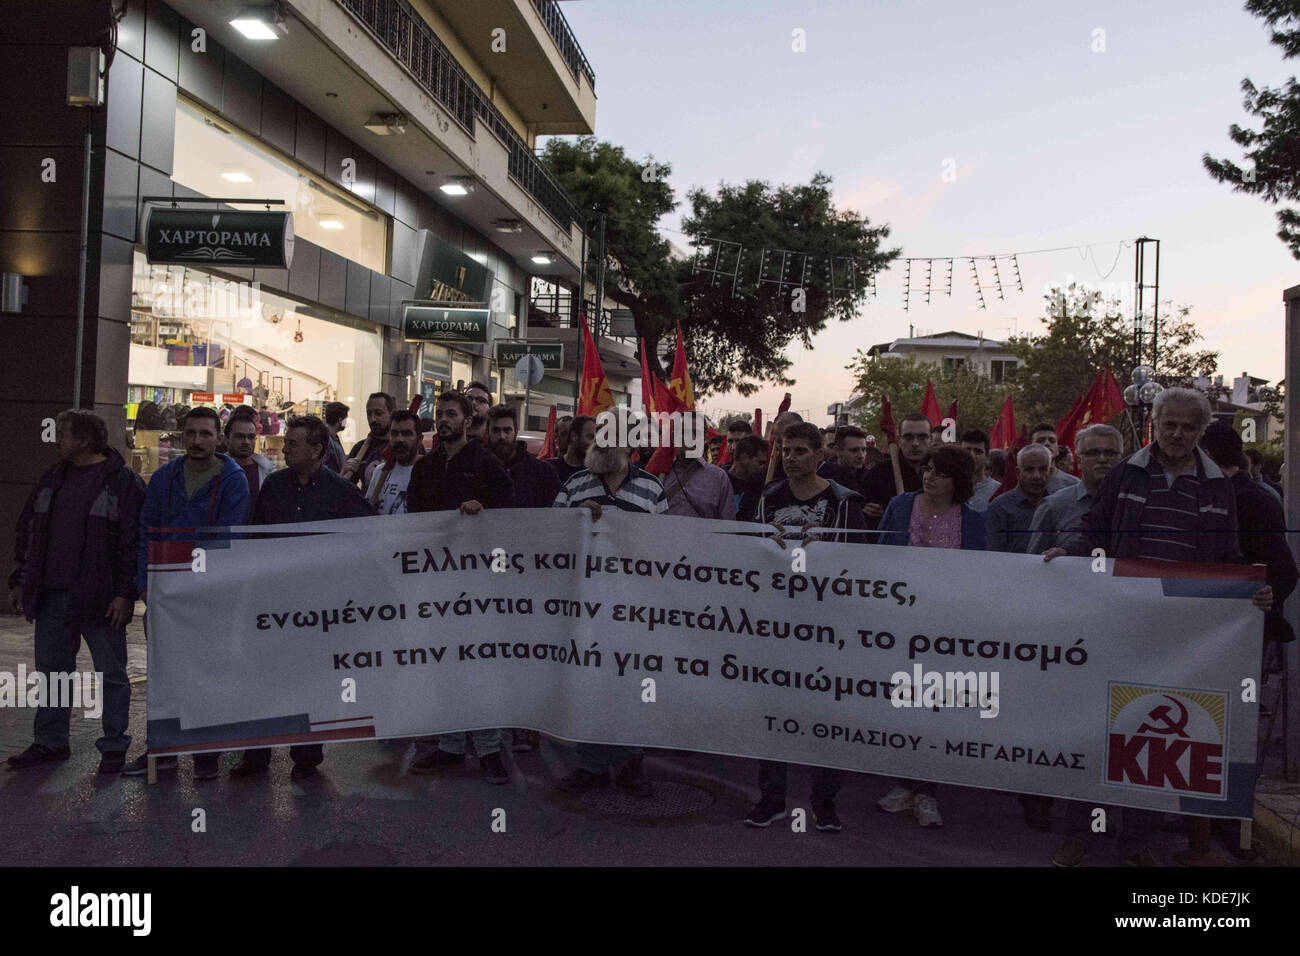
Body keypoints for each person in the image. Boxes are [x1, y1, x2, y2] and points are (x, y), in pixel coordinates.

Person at [1044, 388, 1273, 866]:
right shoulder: (1126, 473)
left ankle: (1138, 843)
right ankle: (1079, 833)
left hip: (1178, 636)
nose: (1177, 434)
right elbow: (1096, 530)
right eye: (1170, 424)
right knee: (1096, 727)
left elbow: (1228, 557)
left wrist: (1249, 595)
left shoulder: (1218, 487)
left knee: (1154, 736)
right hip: (1118, 622)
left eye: (1188, 427)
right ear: (1155, 423)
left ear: (1201, 431)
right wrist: (1071, 553)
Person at [229, 416, 376, 781]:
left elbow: (368, 537)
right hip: (273, 601)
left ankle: (307, 755)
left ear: (316, 450)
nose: (285, 449)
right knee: (262, 677)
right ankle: (256, 754)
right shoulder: (275, 485)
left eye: (293, 444)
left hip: (316, 607)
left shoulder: (340, 492)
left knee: (310, 680)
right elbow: (257, 537)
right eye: (286, 442)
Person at [7, 410, 146, 774]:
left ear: (84, 440)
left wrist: (125, 593)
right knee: (53, 671)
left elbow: (132, 543)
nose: (57, 440)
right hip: (51, 595)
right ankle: (51, 741)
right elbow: (29, 529)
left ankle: (113, 747)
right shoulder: (53, 477)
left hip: (101, 597)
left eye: (63, 434)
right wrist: (22, 579)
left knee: (111, 673)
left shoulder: (122, 482)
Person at [745, 422, 868, 833]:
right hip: (777, 621)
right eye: (785, 450)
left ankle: (824, 801)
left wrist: (828, 551)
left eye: (800, 451)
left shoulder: (843, 501)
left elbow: (861, 562)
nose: (791, 458)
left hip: (827, 623)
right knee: (774, 711)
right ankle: (771, 798)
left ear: (820, 455)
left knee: (825, 715)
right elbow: (748, 555)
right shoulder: (768, 497)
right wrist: (765, 542)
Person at [124, 406, 251, 779]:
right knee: (164, 676)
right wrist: (144, 583)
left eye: (205, 434)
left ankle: (205, 754)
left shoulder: (233, 480)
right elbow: (146, 531)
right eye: (191, 433)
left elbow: (227, 539)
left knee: (207, 674)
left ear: (218, 438)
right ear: (182, 436)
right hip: (165, 595)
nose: (197, 440)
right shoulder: (164, 477)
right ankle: (162, 751)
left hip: (209, 597)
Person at [874, 445, 987, 828]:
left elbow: (981, 576)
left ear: (958, 480)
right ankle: (904, 783)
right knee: (903, 703)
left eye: (940, 472)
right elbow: (879, 557)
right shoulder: (900, 506)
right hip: (900, 623)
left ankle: (927, 791)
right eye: (927, 469)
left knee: (935, 705)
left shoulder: (973, 521)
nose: (929, 477)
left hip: (947, 629)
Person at [406, 391, 515, 783]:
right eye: (440, 413)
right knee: (444, 665)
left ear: (468, 421)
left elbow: (511, 519)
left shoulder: (487, 465)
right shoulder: (426, 467)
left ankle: (488, 750)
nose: (444, 419)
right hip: (436, 582)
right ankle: (451, 744)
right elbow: (414, 520)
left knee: (479, 666)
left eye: (451, 413)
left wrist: (483, 514)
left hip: (478, 585)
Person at [551, 438, 666, 797]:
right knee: (589, 683)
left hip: (632, 606)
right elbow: (551, 535)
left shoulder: (652, 487)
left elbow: (666, 545)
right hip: (585, 602)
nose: (600, 443)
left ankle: (630, 763)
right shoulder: (574, 485)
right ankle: (592, 765)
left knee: (628, 683)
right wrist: (576, 519)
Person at [1026, 424, 1123, 554]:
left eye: (1110, 453)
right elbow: (1034, 561)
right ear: (1079, 460)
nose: (1102, 459)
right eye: (1092, 453)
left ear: (1121, 458)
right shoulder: (1053, 507)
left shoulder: (1135, 503)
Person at [860, 413, 931, 525]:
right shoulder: (879, 474)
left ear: (931, 439)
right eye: (908, 437)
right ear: (899, 440)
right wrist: (886, 516)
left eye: (922, 437)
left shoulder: (943, 473)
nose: (915, 443)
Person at [663, 413, 736, 519]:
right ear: (674, 437)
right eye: (686, 432)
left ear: (705, 438)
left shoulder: (719, 478)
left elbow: (728, 522)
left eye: (696, 433)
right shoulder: (661, 474)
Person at [985, 444, 1051, 554]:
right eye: (1029, 470)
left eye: (1043, 469)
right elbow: (994, 554)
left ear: (1050, 471)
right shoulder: (999, 508)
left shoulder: (1058, 506)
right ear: (1018, 473)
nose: (1036, 476)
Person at [364, 410, 422, 514]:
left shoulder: (429, 472)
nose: (399, 439)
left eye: (406, 434)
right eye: (394, 434)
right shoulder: (380, 472)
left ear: (420, 439)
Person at [341, 392, 393, 486]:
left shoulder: (401, 447)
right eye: (369, 414)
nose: (372, 419)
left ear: (391, 414)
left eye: (378, 413)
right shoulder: (359, 449)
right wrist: (343, 473)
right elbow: (345, 487)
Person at [224, 406, 274, 505]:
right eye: (240, 436)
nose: (246, 442)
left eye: (251, 437)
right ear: (226, 440)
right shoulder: (215, 471)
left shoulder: (268, 473)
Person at [1029, 422, 1080, 493]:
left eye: (1052, 441)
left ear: (1057, 450)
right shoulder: (1021, 480)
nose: (1047, 443)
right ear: (1029, 448)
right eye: (1040, 441)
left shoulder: (1074, 484)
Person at [728, 435, 769, 521]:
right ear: (744, 458)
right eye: (760, 463)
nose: (762, 467)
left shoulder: (760, 485)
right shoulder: (719, 481)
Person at [960, 429, 1000, 512]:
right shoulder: (950, 487)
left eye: (978, 451)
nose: (971, 455)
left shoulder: (997, 490)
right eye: (967, 450)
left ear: (987, 457)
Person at [552, 415, 597, 486]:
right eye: (590, 437)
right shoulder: (549, 469)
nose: (595, 443)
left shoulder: (595, 473)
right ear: (574, 436)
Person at [323, 401, 349, 473]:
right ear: (340, 420)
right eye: (345, 419)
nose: (346, 422)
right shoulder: (326, 440)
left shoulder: (334, 438)